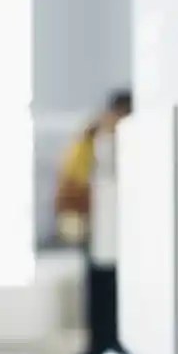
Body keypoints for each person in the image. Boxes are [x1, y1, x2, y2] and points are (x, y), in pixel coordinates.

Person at [54, 89, 132, 246]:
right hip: (80, 207)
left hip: (86, 206)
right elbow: (76, 178)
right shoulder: (96, 136)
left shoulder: (95, 134)